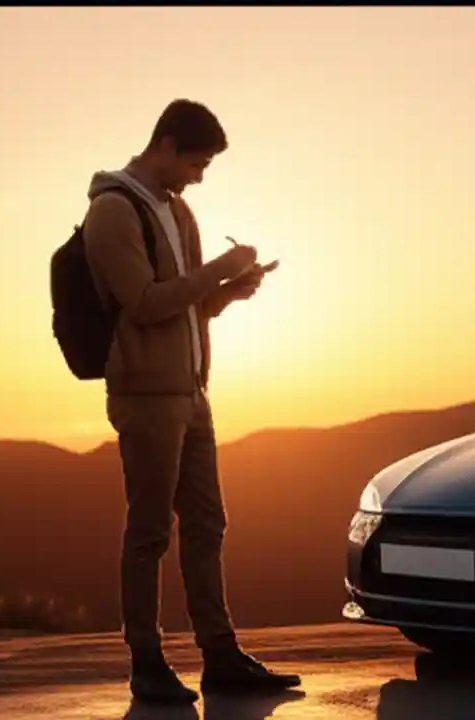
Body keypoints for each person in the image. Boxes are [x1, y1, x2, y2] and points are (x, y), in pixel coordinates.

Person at [82, 99, 299, 702]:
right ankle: (145, 662)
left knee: (207, 524)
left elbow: (186, 306)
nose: (200, 176)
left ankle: (221, 654)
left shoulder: (179, 213)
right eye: (198, 163)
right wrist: (220, 268)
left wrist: (229, 290)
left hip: (192, 392)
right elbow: (146, 304)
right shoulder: (112, 211)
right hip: (146, 396)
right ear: (167, 145)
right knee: (150, 530)